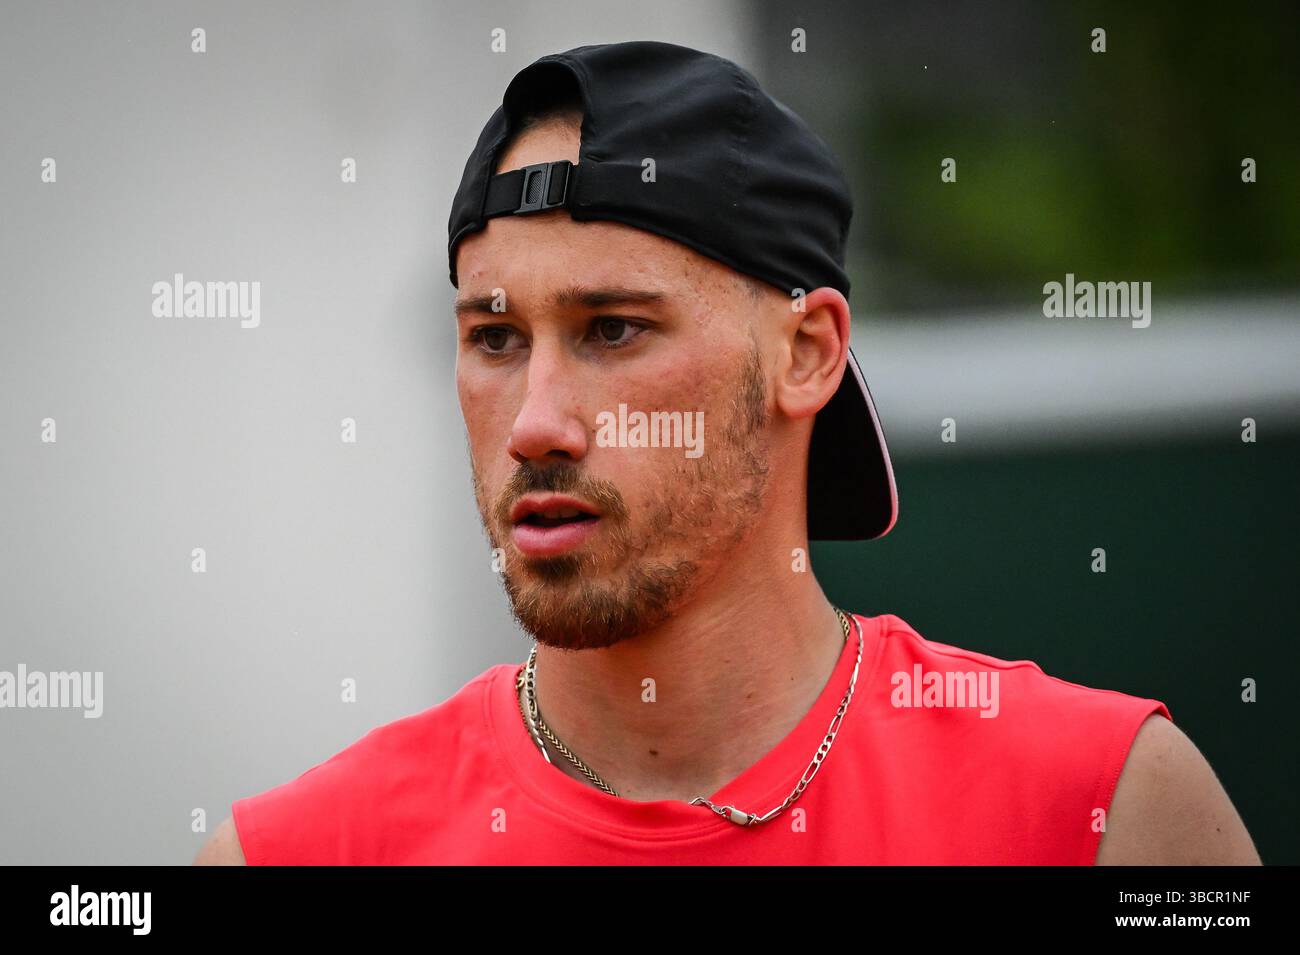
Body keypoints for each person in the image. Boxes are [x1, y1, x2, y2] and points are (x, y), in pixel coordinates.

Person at [197, 40, 1259, 865]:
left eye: (613, 327)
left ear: (806, 355)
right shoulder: (292, 853)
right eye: (495, 338)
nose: (535, 420)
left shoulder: (1106, 809)